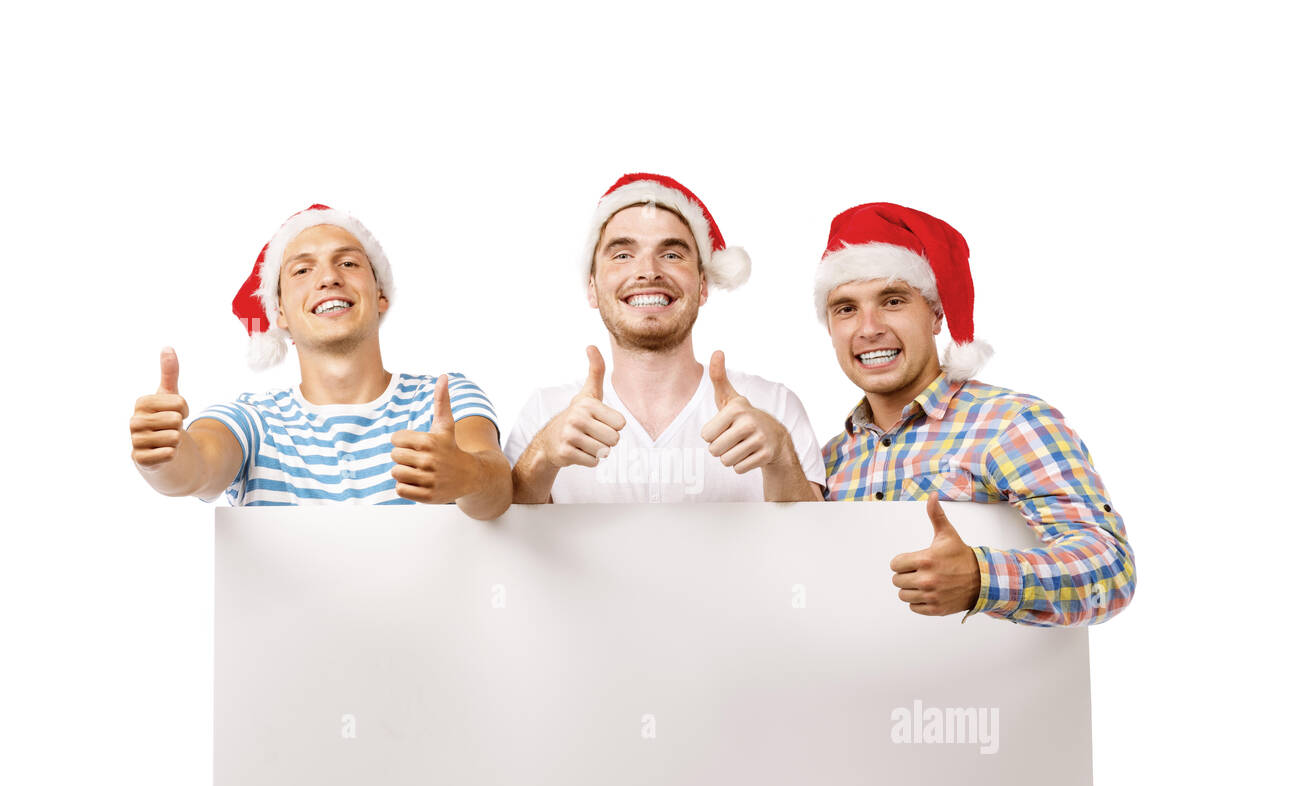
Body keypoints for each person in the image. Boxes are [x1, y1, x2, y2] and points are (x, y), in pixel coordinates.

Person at [815, 202, 1134, 625]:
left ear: (935, 314)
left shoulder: (1011, 425)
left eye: (892, 300)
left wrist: (982, 579)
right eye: (846, 308)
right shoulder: (830, 460)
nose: (868, 327)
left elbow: (1111, 570)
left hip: (986, 692)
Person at [129, 205, 511, 517]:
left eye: (348, 264)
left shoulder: (444, 398)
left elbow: (498, 490)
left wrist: (469, 475)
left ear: (380, 295)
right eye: (302, 270)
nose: (328, 278)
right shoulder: (253, 421)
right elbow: (194, 470)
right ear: (279, 313)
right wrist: (164, 456)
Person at [506, 173, 824, 503]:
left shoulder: (774, 407)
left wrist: (781, 457)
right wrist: (542, 454)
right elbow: (503, 546)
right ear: (592, 288)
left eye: (671, 255)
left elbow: (816, 548)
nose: (648, 271)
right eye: (622, 255)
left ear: (703, 286)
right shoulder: (544, 412)